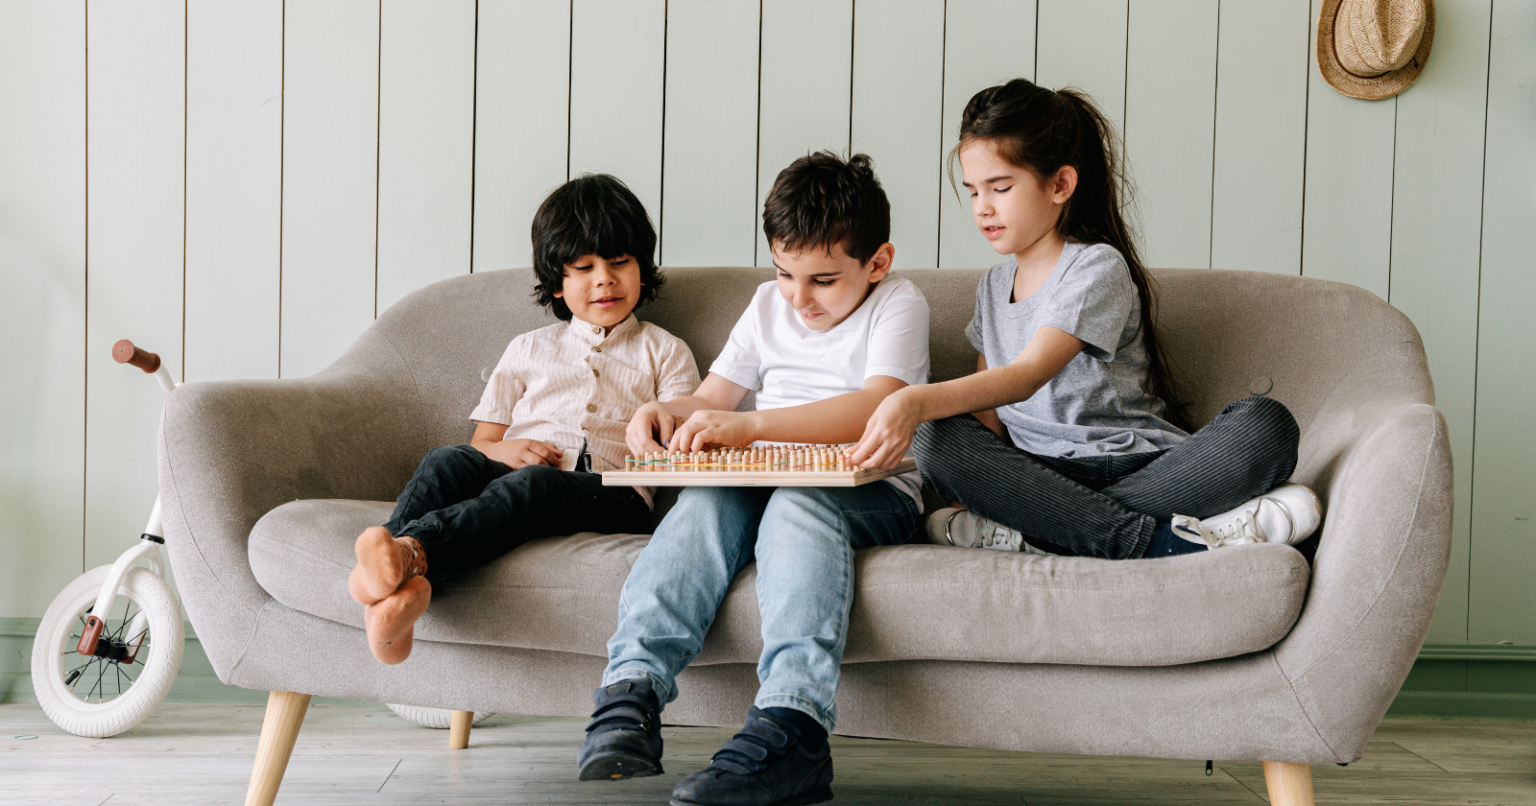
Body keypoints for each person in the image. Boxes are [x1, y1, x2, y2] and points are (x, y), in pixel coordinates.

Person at [576, 152, 929, 806]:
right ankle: (630, 692)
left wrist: (751, 428)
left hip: (868, 487)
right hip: (760, 470)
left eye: (823, 280)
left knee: (797, 502)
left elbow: (876, 405)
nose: (799, 298)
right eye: (784, 273)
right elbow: (714, 395)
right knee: (704, 504)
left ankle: (793, 726)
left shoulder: (898, 302)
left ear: (876, 263)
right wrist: (661, 413)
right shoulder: (769, 304)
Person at [847, 78, 1321, 560]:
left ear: (1060, 185)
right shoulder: (992, 286)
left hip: (1138, 465)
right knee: (936, 435)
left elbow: (1025, 376)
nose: (982, 208)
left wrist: (912, 401)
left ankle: (1045, 534)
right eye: (972, 191)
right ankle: (1161, 541)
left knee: (1267, 424)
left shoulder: (1096, 267)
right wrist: (975, 480)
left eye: (1001, 187)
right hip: (1040, 475)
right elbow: (988, 417)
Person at [347, 174, 699, 665]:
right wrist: (500, 450)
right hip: (520, 472)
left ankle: (407, 557)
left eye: (620, 262)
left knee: (534, 485)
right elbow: (482, 443)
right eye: (584, 267)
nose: (605, 278)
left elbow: (684, 441)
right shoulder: (529, 349)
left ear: (643, 267)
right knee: (446, 461)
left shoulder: (664, 351)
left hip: (614, 493)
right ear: (557, 281)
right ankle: (396, 598)